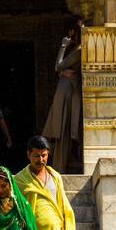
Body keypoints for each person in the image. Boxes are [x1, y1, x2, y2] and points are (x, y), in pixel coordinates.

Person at [43, 18, 83, 174]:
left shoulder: (78, 50)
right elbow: (60, 69)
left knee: (63, 132)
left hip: (68, 92)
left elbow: (58, 65)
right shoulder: (76, 49)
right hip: (66, 90)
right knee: (62, 133)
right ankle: (60, 168)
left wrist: (63, 46)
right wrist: (61, 71)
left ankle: (61, 169)